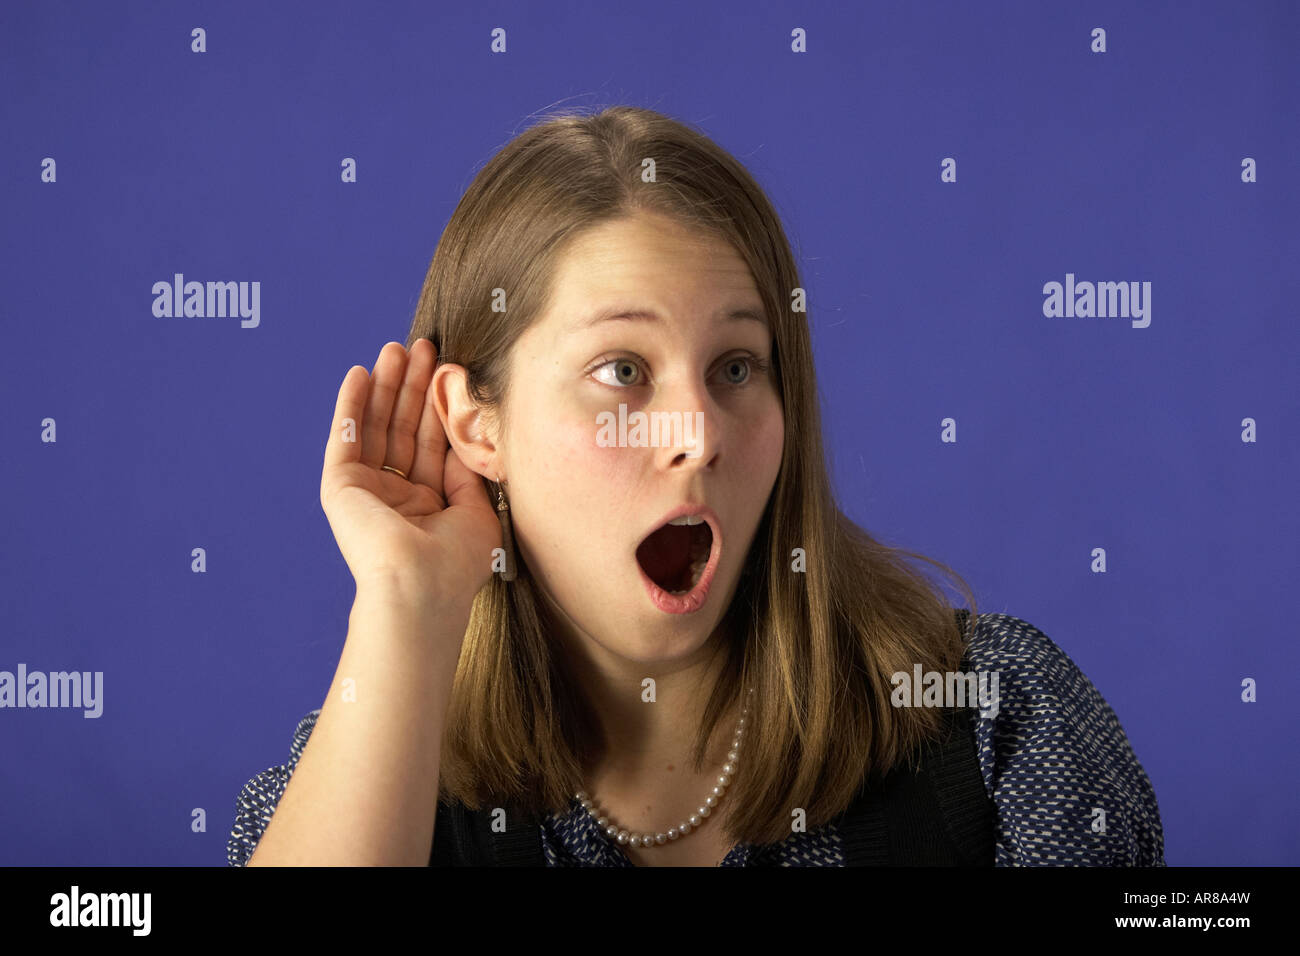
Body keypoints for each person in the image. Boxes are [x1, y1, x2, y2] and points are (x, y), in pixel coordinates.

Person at [228, 105, 1165, 867]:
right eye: (623, 371)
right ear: (478, 425)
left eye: (735, 368)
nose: (700, 435)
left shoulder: (1000, 726)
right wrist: (407, 604)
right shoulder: (364, 772)